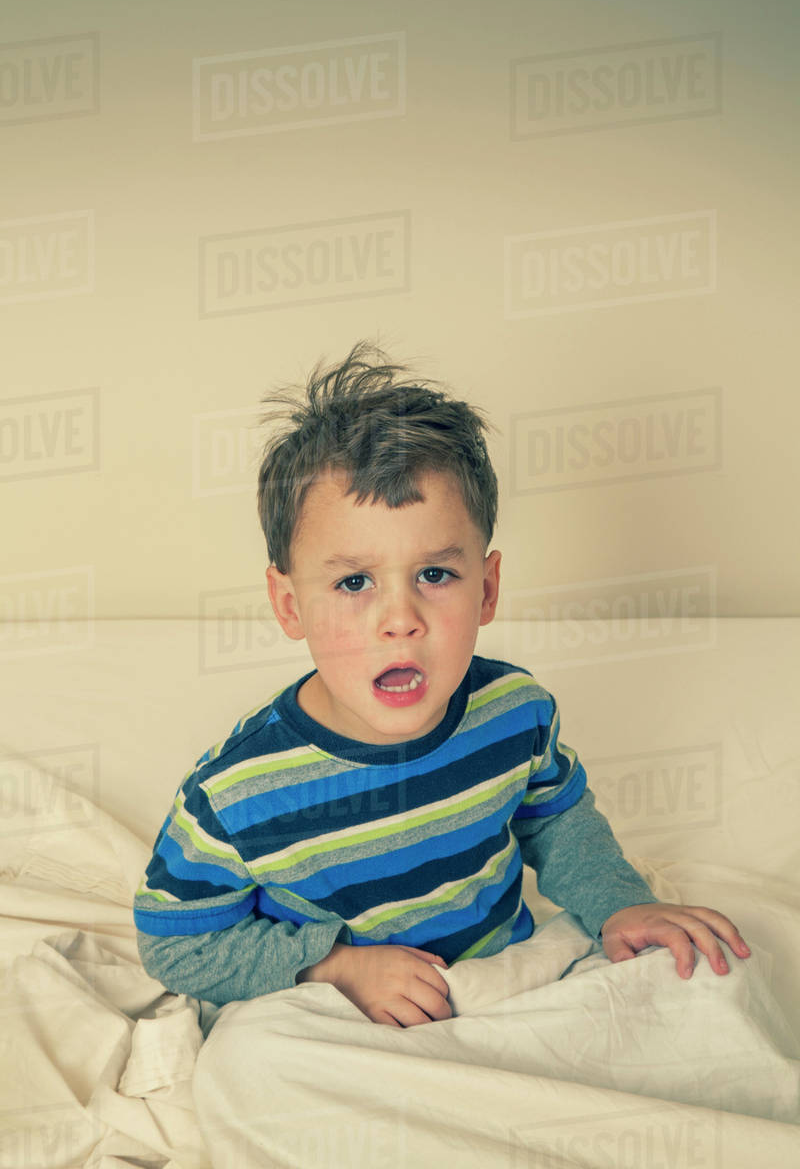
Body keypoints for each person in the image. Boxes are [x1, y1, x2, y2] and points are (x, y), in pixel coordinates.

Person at [134, 340, 750, 1028]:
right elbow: (178, 947)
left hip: (498, 981)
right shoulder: (236, 793)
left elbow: (559, 821)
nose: (401, 620)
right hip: (343, 1012)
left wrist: (619, 903)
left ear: (486, 589)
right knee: (257, 1062)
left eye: (435, 575)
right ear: (289, 606)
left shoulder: (515, 714)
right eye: (353, 582)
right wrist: (334, 966)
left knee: (693, 998)